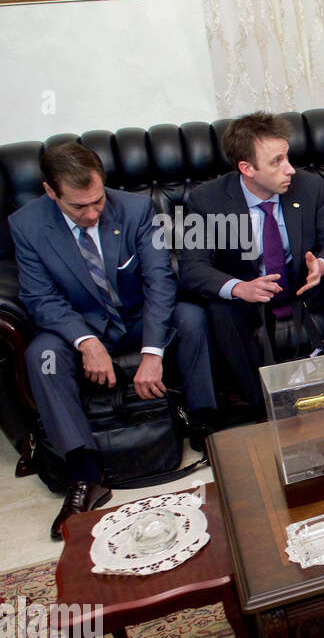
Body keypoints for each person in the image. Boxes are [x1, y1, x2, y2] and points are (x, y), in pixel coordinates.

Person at [12, 142, 218, 539]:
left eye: (97, 200)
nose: (92, 214)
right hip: (78, 323)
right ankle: (85, 474)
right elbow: (40, 298)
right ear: (50, 192)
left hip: (138, 318)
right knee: (43, 356)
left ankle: (205, 429)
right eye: (79, 207)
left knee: (191, 318)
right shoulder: (27, 225)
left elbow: (159, 279)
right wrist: (87, 342)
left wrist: (152, 352)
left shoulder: (135, 208)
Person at [180, 112, 324, 417]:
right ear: (247, 168)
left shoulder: (308, 186)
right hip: (250, 298)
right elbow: (192, 268)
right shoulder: (208, 200)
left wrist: (322, 264)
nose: (289, 169)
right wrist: (239, 287)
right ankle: (262, 406)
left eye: (287, 157)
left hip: (301, 286)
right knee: (219, 308)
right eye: (276, 161)